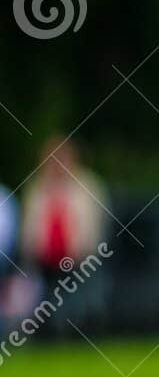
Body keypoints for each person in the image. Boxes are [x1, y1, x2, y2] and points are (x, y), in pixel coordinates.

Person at [19, 137, 109, 332]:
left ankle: (77, 330)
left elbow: (94, 226)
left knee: (75, 302)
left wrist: (80, 253)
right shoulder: (36, 188)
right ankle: (48, 332)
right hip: (43, 262)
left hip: (79, 261)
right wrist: (33, 251)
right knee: (43, 300)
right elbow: (29, 228)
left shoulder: (88, 186)